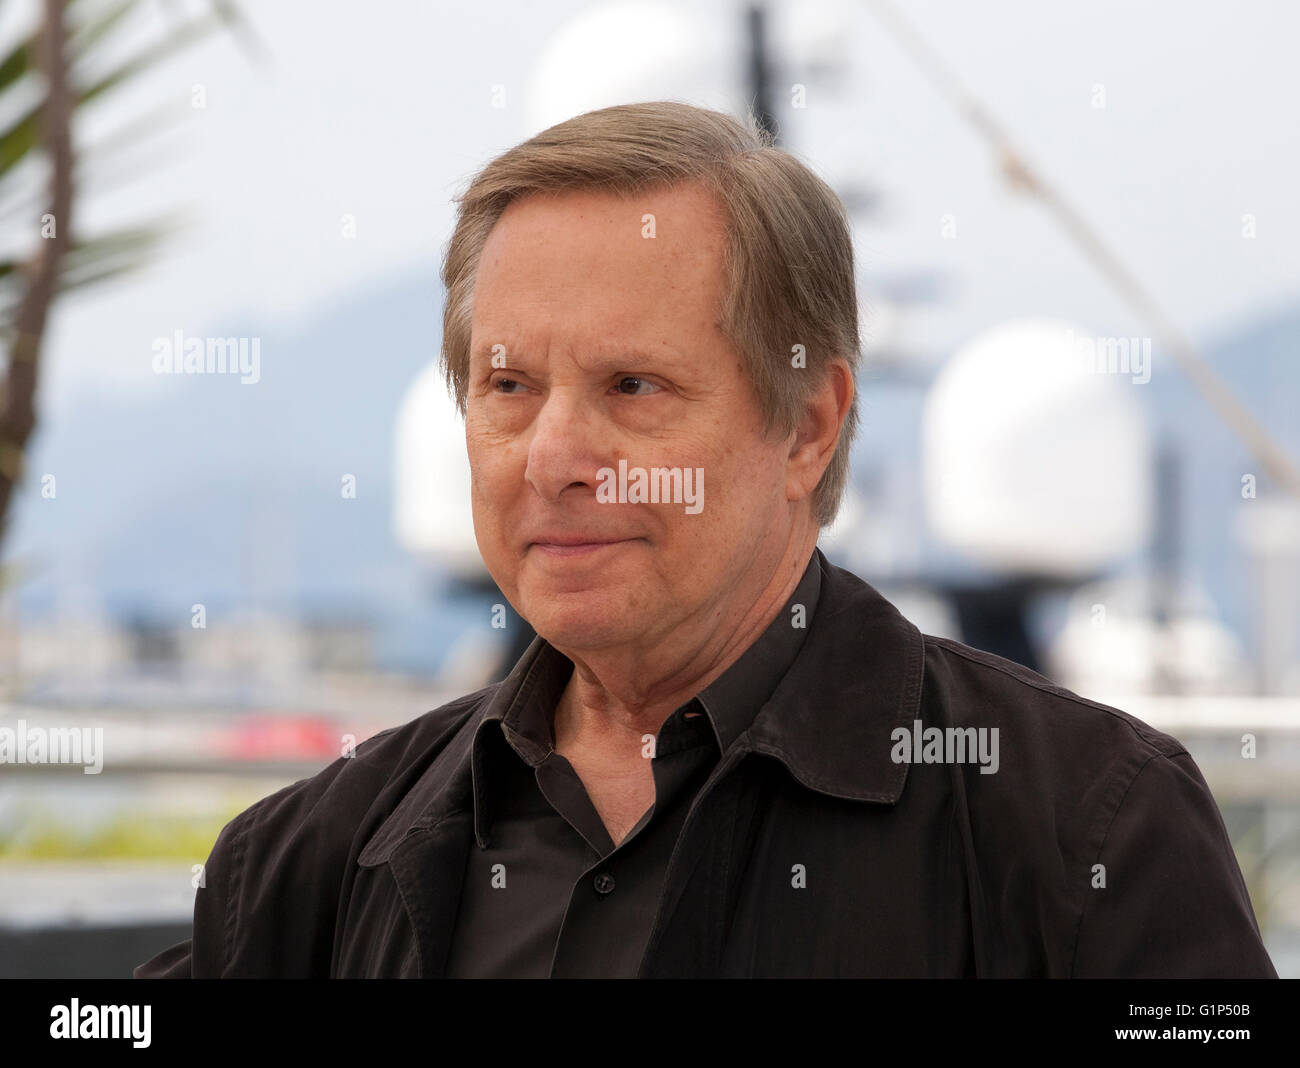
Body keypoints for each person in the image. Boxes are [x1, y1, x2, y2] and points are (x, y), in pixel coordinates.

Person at [135, 101, 1276, 978]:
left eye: (632, 385)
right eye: (508, 386)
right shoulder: (305, 866)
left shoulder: (1087, 829)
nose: (553, 456)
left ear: (808, 425)